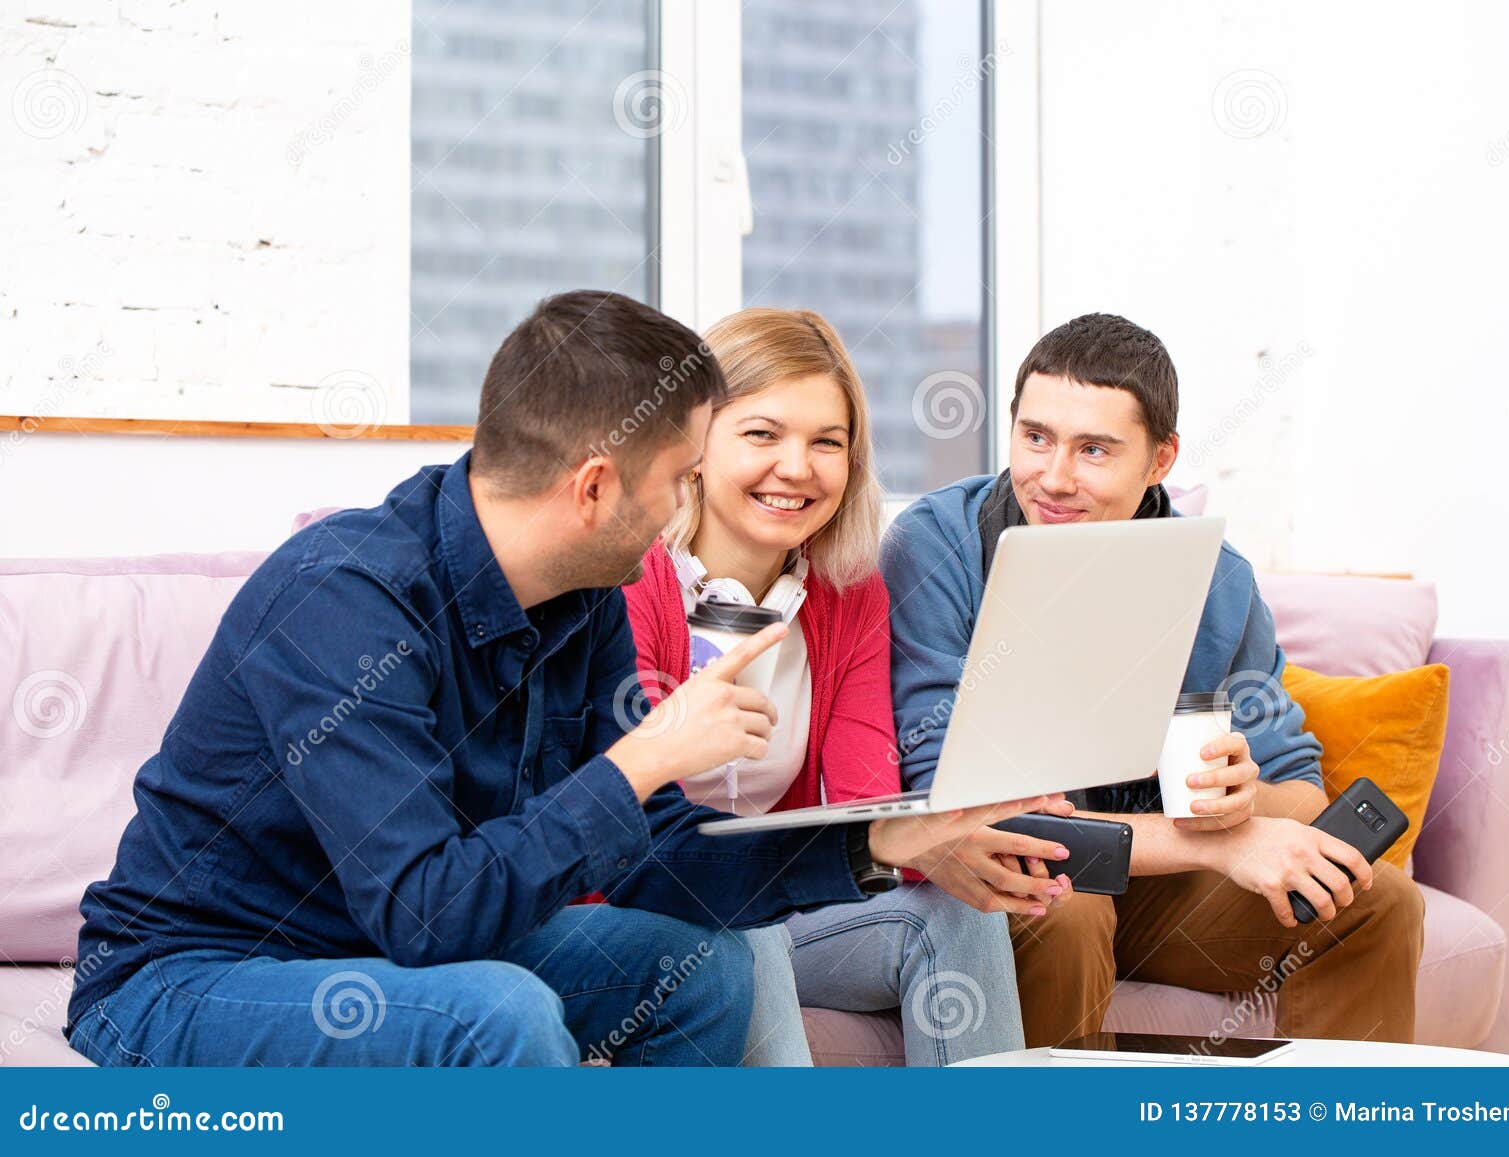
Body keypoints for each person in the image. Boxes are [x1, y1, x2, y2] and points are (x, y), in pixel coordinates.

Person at [66, 290, 1056, 1068]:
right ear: (592, 487)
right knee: (502, 1015)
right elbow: (428, 910)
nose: (685, 505)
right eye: (679, 477)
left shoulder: (577, 596)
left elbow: (654, 858)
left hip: (381, 948)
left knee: (701, 969)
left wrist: (881, 837)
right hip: (201, 972)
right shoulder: (343, 601)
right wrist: (636, 762)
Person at [880, 312, 1426, 1047]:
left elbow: (1300, 795)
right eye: (1035, 437)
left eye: (1095, 449)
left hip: (1155, 891)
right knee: (1063, 905)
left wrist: (1242, 800)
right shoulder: (936, 546)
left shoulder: (1218, 580)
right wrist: (1214, 845)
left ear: (1161, 459)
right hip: (1022, 877)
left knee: (1378, 898)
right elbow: (953, 809)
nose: (1054, 476)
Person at [623, 307, 1073, 1066]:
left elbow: (869, 800)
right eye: (763, 434)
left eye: (827, 442)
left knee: (959, 918)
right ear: (694, 444)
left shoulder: (848, 595)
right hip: (646, 909)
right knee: (747, 914)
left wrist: (964, 825)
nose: (798, 467)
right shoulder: (630, 579)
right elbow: (621, 825)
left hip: (782, 908)